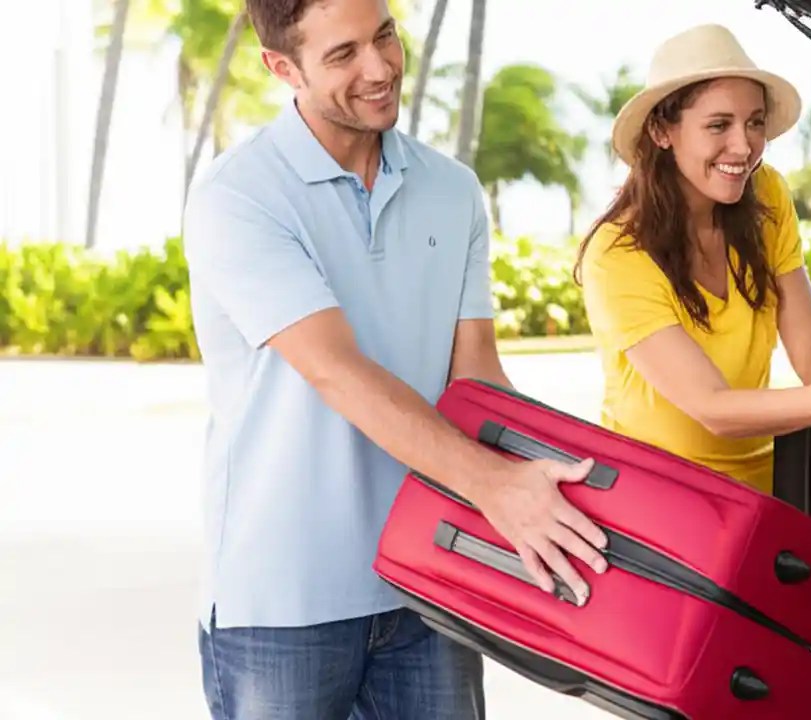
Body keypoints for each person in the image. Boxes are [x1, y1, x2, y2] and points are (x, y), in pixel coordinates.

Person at [182, 1, 608, 717]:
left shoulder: (452, 190)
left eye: (384, 36)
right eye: (343, 54)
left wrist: (592, 481)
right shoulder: (240, 196)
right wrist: (498, 489)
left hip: (432, 577)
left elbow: (477, 381)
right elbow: (335, 371)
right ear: (281, 67)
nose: (380, 69)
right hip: (284, 600)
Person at [577, 24, 811, 495]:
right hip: (655, 495)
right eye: (719, 125)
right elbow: (712, 407)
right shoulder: (618, 253)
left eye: (754, 122)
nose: (744, 146)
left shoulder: (767, 197)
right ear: (661, 131)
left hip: (764, 485)